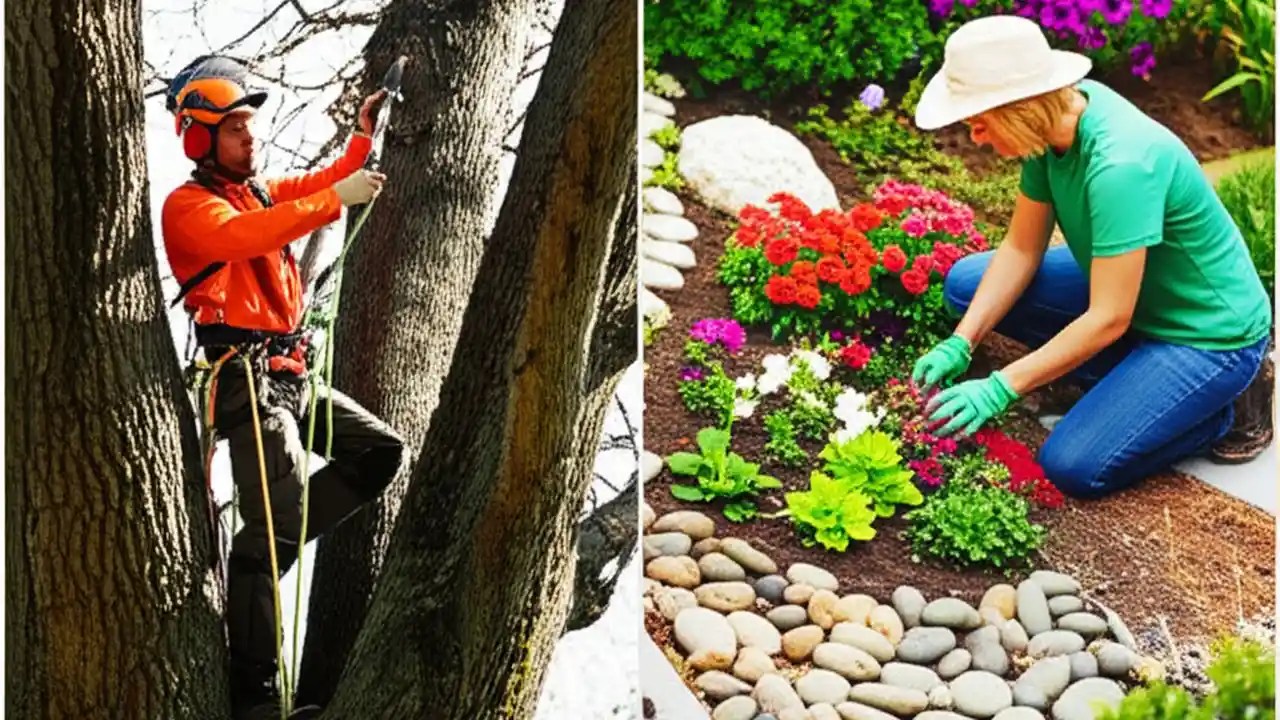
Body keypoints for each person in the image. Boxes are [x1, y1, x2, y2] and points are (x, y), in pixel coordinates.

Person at [909, 16, 1273, 498]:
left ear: (1017, 108)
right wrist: (961, 342)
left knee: (1072, 464)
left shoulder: (1121, 164)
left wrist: (1001, 387)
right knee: (965, 288)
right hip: (1137, 293)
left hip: (1206, 334)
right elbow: (1021, 248)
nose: (975, 137)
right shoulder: (1054, 125)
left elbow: (1108, 316)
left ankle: (1225, 410)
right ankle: (1130, 378)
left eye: (979, 123)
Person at [162, 56, 406, 719]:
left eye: (249, 125)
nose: (251, 138)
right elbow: (245, 238)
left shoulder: (262, 191)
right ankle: (257, 696)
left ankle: (260, 551)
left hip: (290, 380)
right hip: (243, 384)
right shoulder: (190, 208)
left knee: (380, 453)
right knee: (276, 522)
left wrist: (362, 138)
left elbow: (322, 183)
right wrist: (335, 201)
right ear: (197, 138)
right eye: (235, 128)